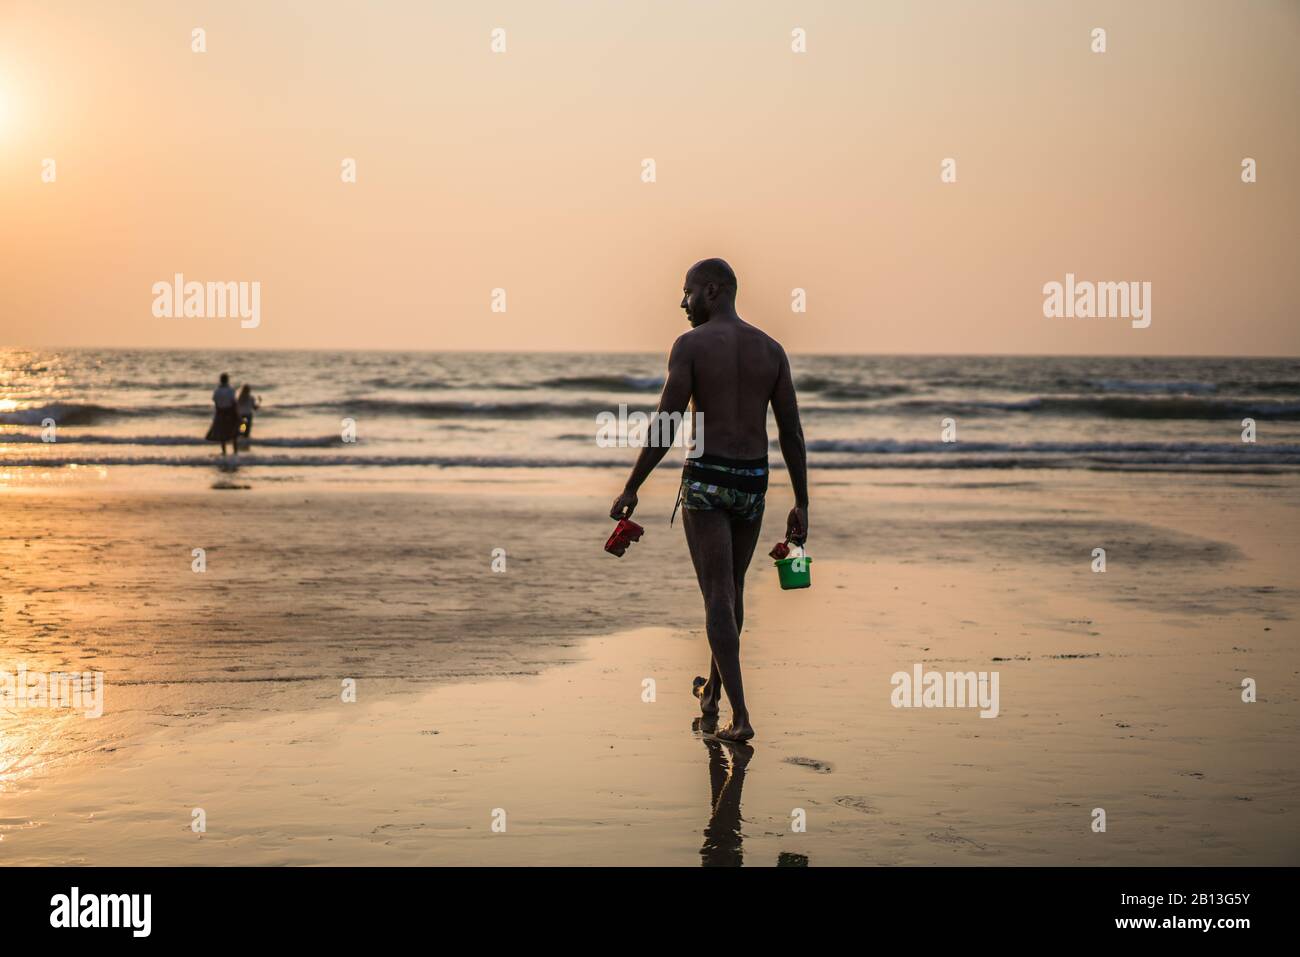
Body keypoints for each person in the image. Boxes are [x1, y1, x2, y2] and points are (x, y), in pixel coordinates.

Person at [610, 258, 808, 742]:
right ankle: (713, 695)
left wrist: (633, 484)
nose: (683, 303)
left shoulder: (691, 346)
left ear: (713, 291)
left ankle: (740, 717)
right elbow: (791, 431)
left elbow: (667, 420)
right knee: (732, 592)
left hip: (707, 480)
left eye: (688, 293)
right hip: (753, 484)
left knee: (718, 596)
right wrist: (802, 501)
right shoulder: (772, 350)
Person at [205, 373, 240, 457]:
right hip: (230, 412)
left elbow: (216, 403)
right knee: (234, 432)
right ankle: (235, 452)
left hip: (220, 413)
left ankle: (224, 452)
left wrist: (217, 413)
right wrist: (237, 414)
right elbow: (234, 403)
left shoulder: (217, 391)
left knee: (222, 433)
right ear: (227, 380)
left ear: (220, 380)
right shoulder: (231, 390)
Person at [236, 384, 261, 450]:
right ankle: (245, 446)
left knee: (242, 430)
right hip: (248, 416)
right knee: (247, 432)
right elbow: (255, 408)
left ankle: (241, 445)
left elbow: (236, 407)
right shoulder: (251, 398)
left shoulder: (239, 398)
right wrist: (260, 401)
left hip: (241, 416)